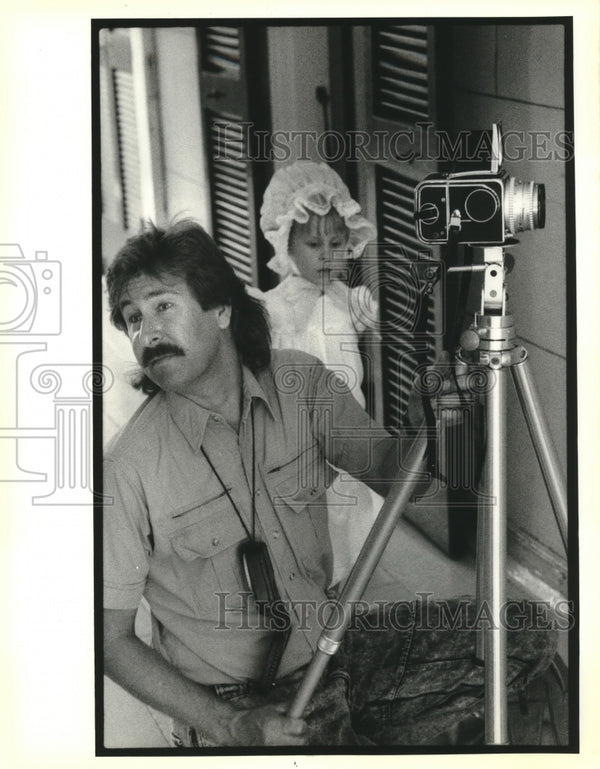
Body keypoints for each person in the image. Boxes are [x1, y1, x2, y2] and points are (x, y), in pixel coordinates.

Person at [103, 219, 559, 748]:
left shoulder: (304, 385)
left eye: (162, 306)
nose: (147, 333)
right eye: (132, 319)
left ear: (221, 309)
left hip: (336, 648)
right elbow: (111, 640)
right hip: (241, 704)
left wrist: (427, 426)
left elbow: (409, 490)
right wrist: (227, 724)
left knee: (522, 629)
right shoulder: (128, 466)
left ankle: (356, 737)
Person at [256, 160, 383, 586]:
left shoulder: (350, 300)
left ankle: (349, 592)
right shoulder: (276, 309)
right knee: (314, 524)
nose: (329, 255)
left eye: (338, 242)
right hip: (303, 438)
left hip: (348, 430)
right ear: (286, 248)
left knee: (351, 516)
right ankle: (316, 594)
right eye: (314, 244)